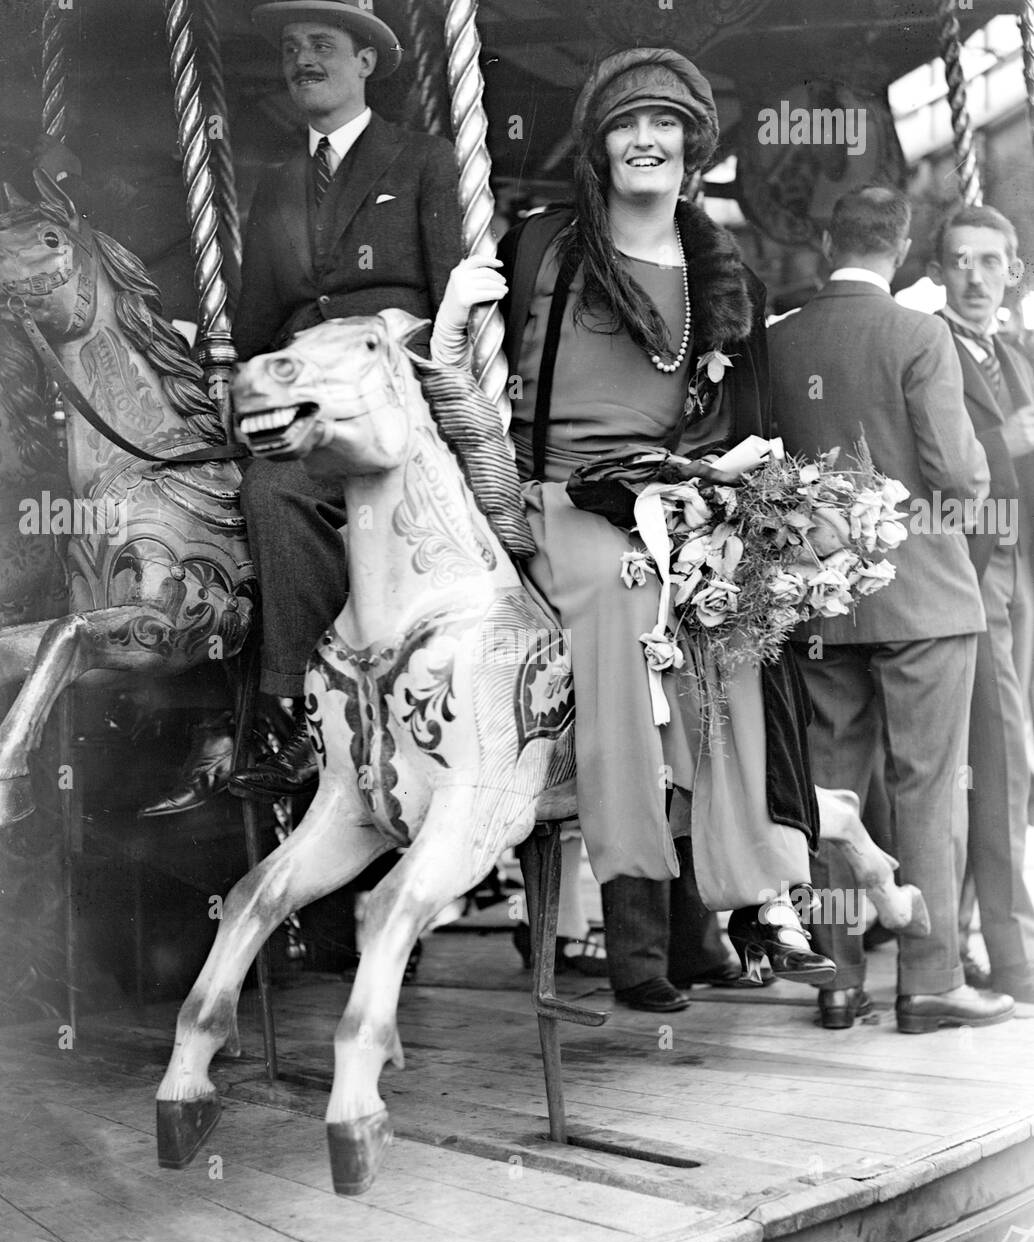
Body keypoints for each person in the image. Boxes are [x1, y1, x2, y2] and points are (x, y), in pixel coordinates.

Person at [431, 48, 831, 1012]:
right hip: (563, 500)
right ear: (599, 147)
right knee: (628, 602)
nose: (645, 140)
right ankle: (635, 936)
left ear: (691, 147)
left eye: (665, 125)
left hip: (672, 498)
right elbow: (461, 385)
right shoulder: (543, 246)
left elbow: (740, 418)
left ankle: (720, 912)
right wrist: (451, 318)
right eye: (625, 125)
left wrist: (733, 510)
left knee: (731, 634)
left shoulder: (721, 275)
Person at [146, 0, 463, 812]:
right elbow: (254, 323)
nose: (304, 59)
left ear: (366, 62)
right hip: (297, 397)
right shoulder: (279, 182)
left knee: (275, 488)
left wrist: (409, 332)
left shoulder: (424, 161)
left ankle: (295, 710)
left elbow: (461, 287)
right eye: (292, 48)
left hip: (387, 398)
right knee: (199, 498)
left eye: (323, 45)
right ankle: (214, 715)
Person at [769, 185, 1014, 1032]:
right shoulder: (920, 334)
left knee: (831, 793)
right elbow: (957, 471)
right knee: (928, 787)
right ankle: (930, 977)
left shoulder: (781, 340)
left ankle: (837, 981)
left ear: (827, 237)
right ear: (903, 248)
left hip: (820, 602)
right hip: (924, 599)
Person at [926, 204, 1034, 1004]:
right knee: (994, 763)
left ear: (1014, 273)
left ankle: (972, 937)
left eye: (990, 262)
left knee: (1004, 760)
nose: (974, 276)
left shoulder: (1016, 352)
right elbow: (937, 460)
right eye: (959, 260)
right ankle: (1011, 952)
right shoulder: (929, 349)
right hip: (967, 571)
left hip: (1018, 568)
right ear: (939, 270)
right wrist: (1013, 444)